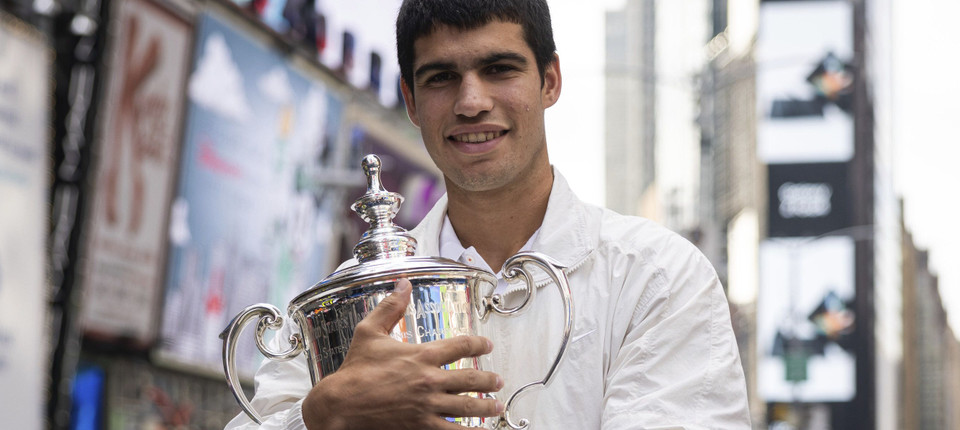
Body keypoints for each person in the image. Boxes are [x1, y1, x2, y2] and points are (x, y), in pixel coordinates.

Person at [225, 0, 751, 428]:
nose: (472, 101)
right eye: (441, 78)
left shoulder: (654, 278)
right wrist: (323, 414)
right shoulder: (347, 304)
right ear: (410, 100)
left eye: (499, 69)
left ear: (550, 81)